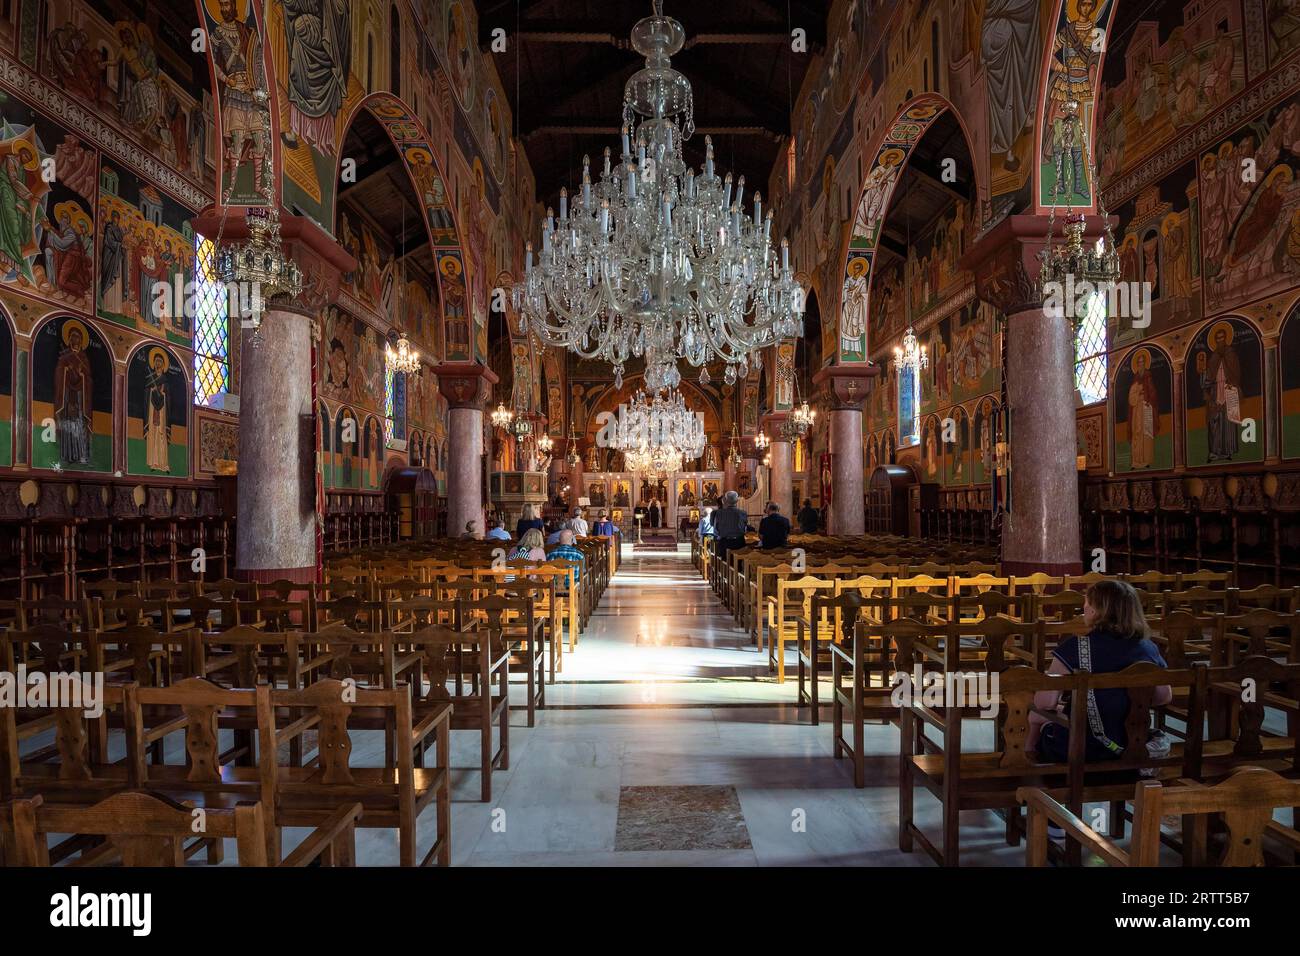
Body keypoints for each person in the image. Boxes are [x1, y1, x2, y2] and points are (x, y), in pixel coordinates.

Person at [1028, 580, 1172, 762]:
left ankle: (1028, 763)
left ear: (1096, 611)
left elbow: (1044, 702)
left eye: (1086, 602)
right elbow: (1163, 697)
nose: (1084, 607)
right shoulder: (1148, 648)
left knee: (1035, 713)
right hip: (1132, 746)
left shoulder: (1076, 647)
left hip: (1080, 749)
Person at [712, 490, 749, 560]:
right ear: (737, 500)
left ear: (725, 500)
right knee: (739, 566)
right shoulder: (743, 513)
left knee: (724, 565)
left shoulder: (719, 513)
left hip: (725, 543)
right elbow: (745, 529)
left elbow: (715, 531)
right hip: (739, 543)